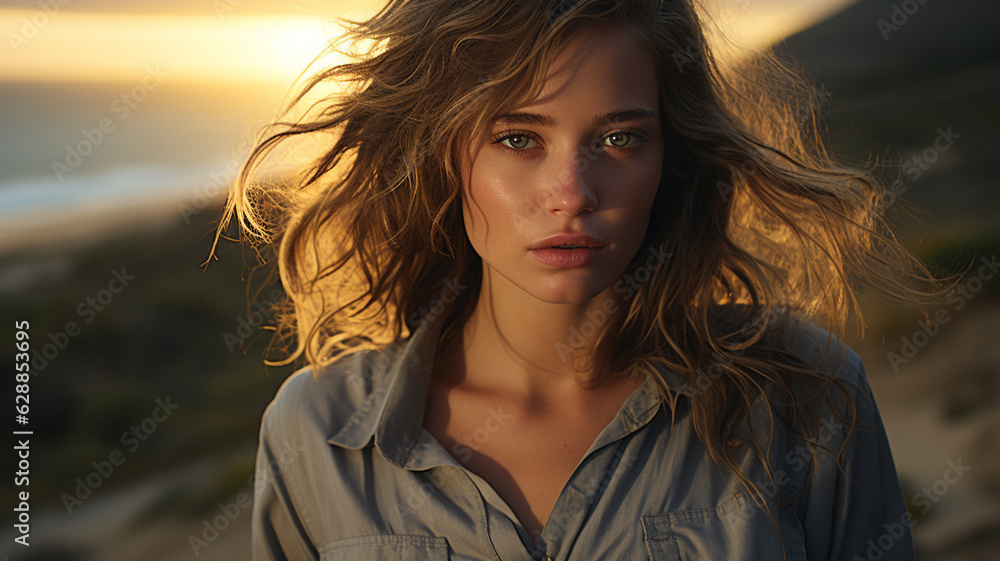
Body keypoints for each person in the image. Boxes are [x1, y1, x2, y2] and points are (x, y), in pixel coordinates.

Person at [214, 0, 944, 559]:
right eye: (518, 139)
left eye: (619, 138)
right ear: (443, 156)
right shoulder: (319, 435)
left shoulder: (804, 394)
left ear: (670, 158)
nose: (571, 191)